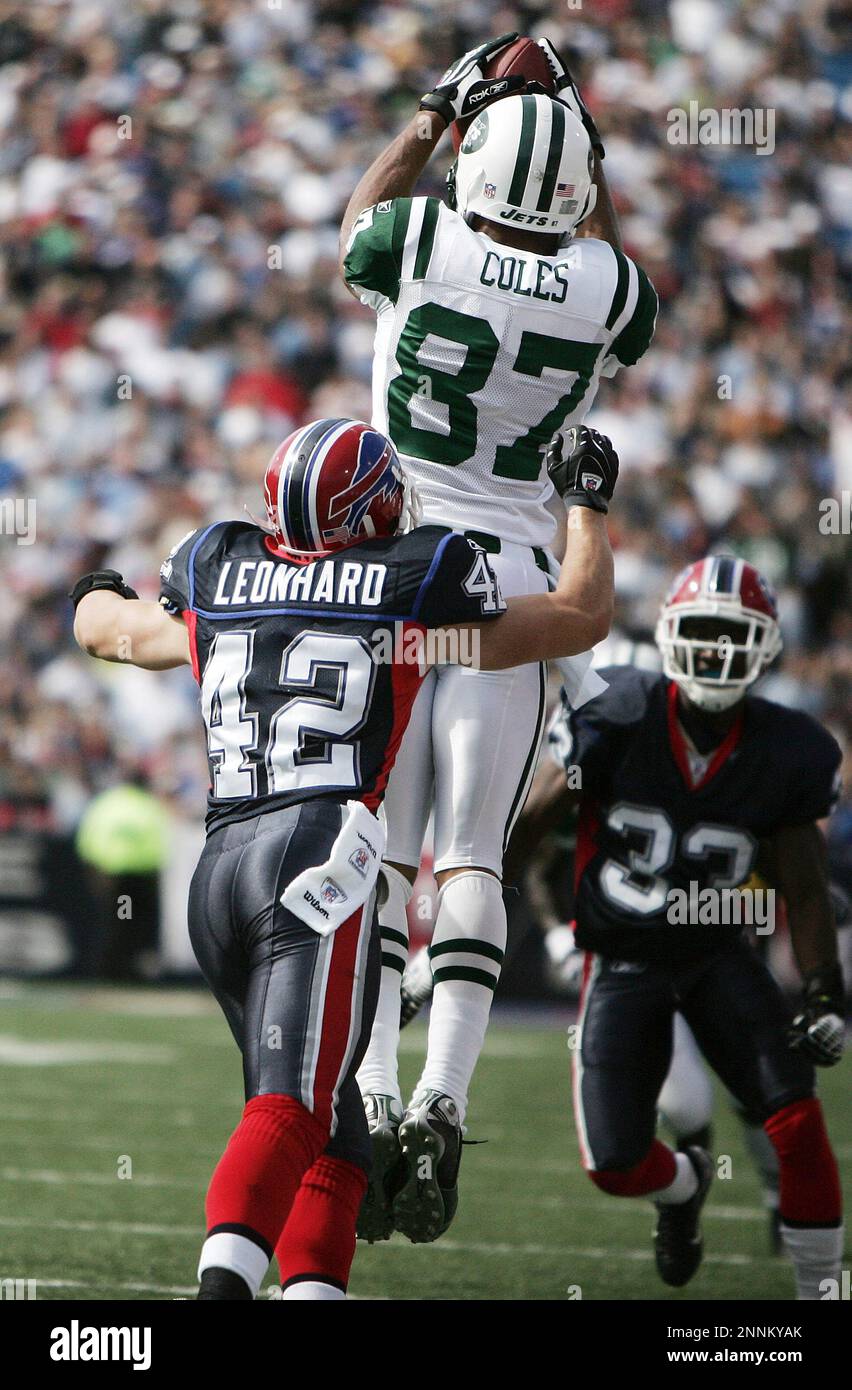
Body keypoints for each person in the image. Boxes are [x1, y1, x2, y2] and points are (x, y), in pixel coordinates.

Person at [71, 415, 618, 1299]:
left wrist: (93, 588)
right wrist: (588, 506)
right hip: (316, 865)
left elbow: (110, 632)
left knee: (336, 1129)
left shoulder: (219, 567)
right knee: (290, 1106)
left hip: (218, 871)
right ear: (373, 509)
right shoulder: (416, 578)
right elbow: (579, 616)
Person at [339, 32, 657, 1244]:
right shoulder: (609, 287)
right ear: (574, 186)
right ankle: (440, 1101)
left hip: (394, 568)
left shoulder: (418, 238)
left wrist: (434, 112)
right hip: (513, 580)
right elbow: (619, 271)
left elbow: (357, 226)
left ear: (471, 167)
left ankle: (368, 1094)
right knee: (470, 854)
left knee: (380, 850)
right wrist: (581, 136)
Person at [509, 555, 845, 1297]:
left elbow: (806, 887)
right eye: (703, 633)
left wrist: (825, 992)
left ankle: (822, 1291)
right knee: (614, 1163)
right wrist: (474, 919)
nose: (718, 653)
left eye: (734, 637)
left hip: (719, 956)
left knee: (795, 1119)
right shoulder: (618, 714)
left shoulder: (788, 748)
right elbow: (528, 832)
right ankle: (686, 1186)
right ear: (669, 634)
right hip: (622, 959)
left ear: (763, 646)